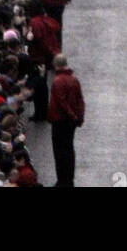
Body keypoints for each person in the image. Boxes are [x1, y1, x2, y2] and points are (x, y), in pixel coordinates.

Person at [48, 55, 85, 188]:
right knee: (69, 149)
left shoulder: (58, 81)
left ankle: (62, 179)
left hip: (60, 120)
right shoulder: (74, 80)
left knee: (59, 151)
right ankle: (69, 178)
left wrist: (71, 115)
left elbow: (61, 101)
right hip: (71, 121)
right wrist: (79, 117)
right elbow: (80, 100)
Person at [26, 0, 62, 122]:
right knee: (42, 85)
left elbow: (37, 39)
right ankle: (42, 111)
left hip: (37, 58)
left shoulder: (34, 23)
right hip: (43, 58)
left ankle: (40, 113)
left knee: (39, 86)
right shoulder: (44, 20)